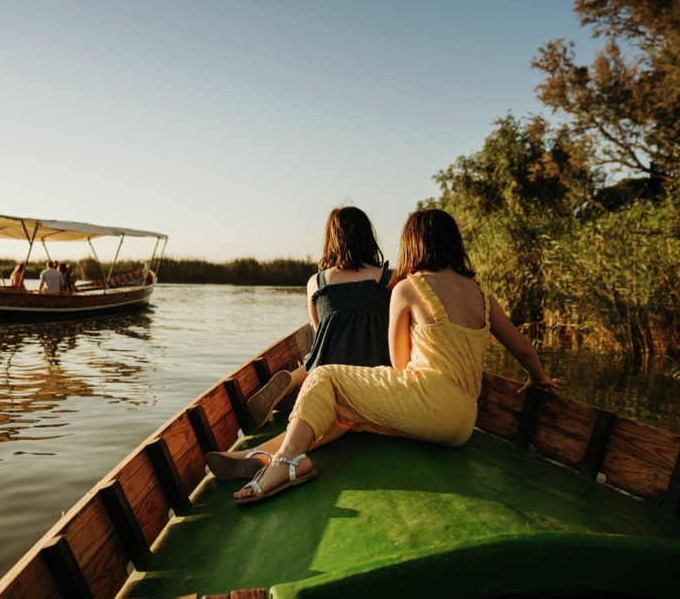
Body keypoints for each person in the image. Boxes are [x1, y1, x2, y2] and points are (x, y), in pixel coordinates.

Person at [209, 208, 564, 504]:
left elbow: (398, 365)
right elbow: (524, 349)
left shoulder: (410, 288)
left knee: (324, 376)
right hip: (462, 424)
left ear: (413, 243)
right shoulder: (481, 294)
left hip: (429, 406)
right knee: (345, 416)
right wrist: (538, 378)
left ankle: (285, 461)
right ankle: (263, 456)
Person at [241, 206, 393, 433]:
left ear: (331, 239)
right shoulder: (390, 279)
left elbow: (319, 331)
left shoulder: (316, 282)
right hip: (373, 366)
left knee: (319, 358)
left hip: (328, 364)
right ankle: (297, 383)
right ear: (368, 237)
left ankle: (294, 380)